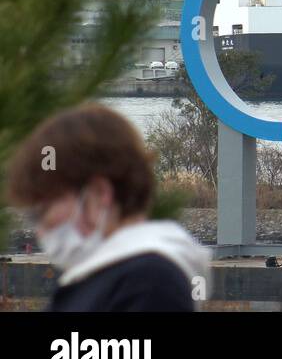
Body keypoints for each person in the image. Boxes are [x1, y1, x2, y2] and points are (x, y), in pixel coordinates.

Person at [6, 103, 209, 311]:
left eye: (44, 210)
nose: (39, 229)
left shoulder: (148, 281)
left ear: (99, 193)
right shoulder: (104, 277)